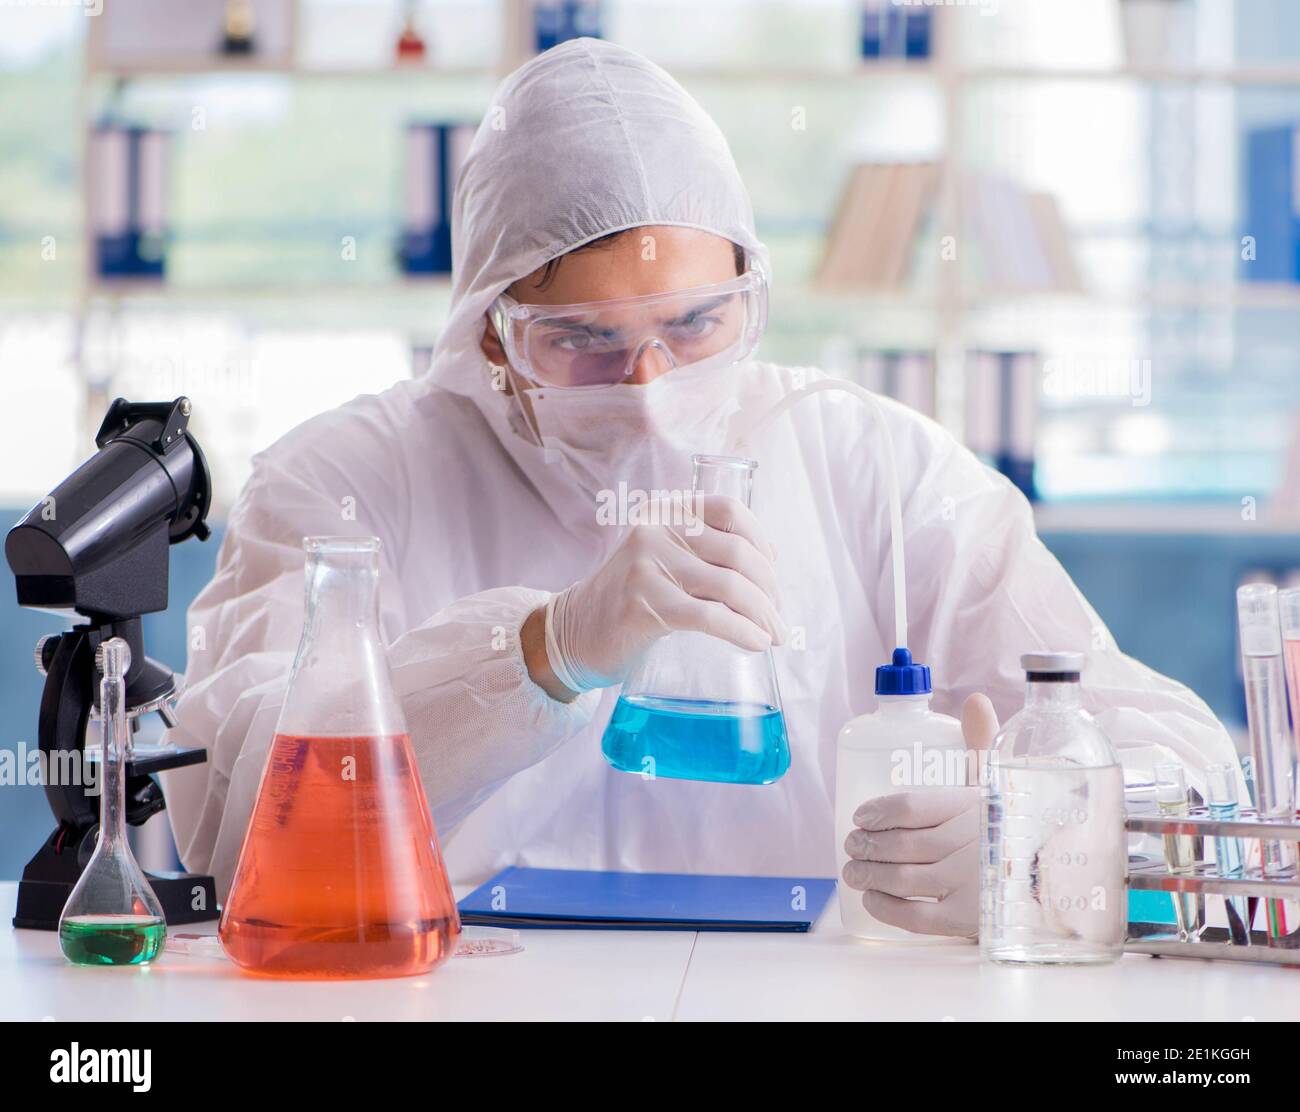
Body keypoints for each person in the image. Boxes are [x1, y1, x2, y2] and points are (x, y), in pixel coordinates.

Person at [162, 38, 1235, 938]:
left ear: (749, 289)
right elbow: (231, 824)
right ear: (489, 332)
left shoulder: (873, 469)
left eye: (693, 323)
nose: (650, 386)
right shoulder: (343, 485)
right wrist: (539, 649)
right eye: (581, 340)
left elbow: (1184, 765)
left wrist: (1041, 834)